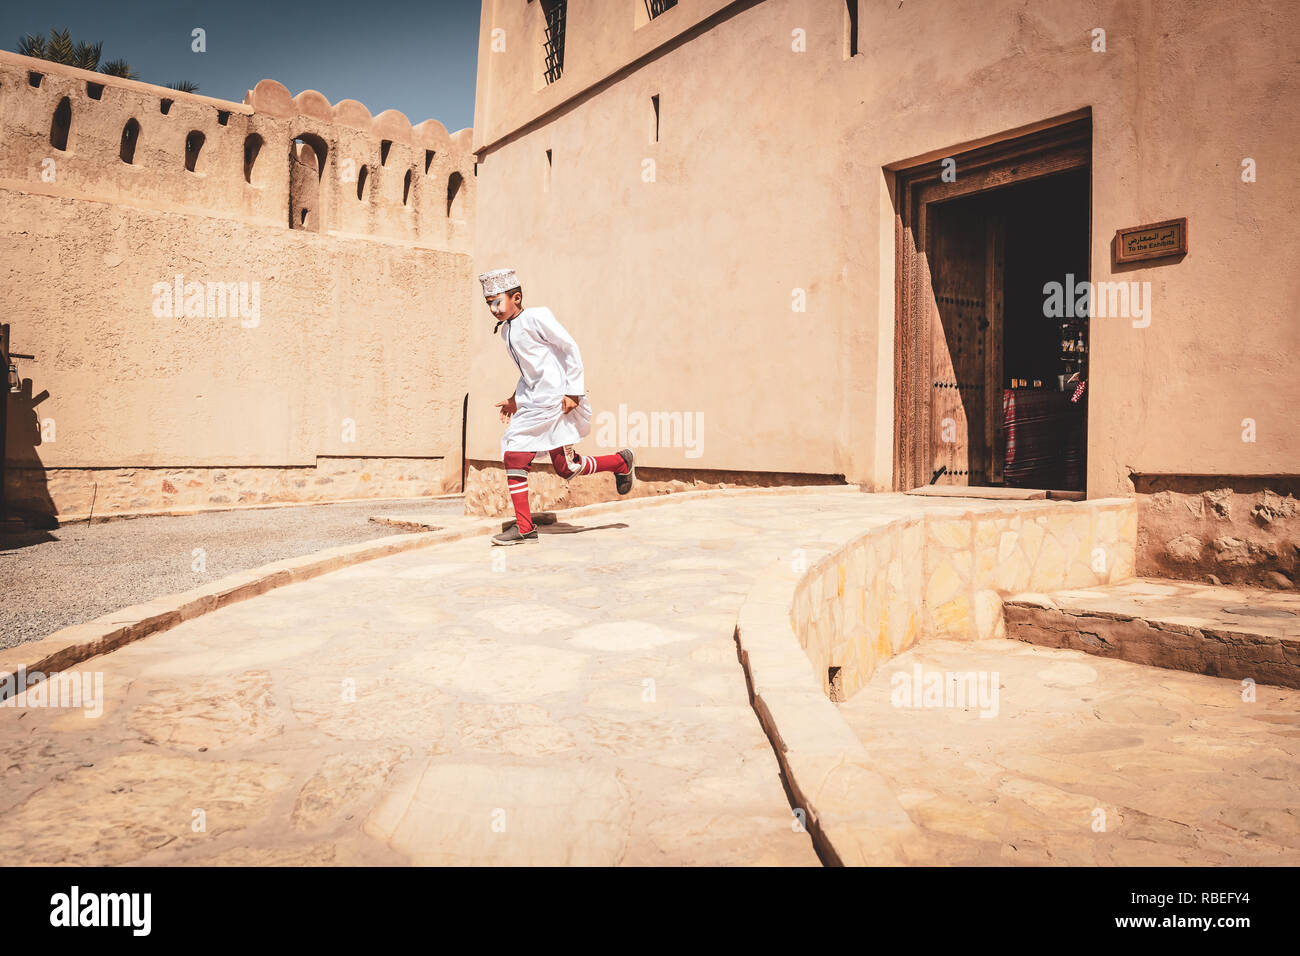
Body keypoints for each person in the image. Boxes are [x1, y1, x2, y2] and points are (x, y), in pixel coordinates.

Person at [480, 268, 634, 546]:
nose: (493, 308)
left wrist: (574, 392)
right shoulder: (506, 331)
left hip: (555, 401)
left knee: (515, 453)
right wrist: (515, 398)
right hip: (534, 401)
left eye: (497, 301)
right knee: (566, 467)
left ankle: (525, 529)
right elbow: (531, 370)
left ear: (516, 297)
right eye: (488, 303)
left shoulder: (537, 317)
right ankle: (621, 462)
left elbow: (569, 348)